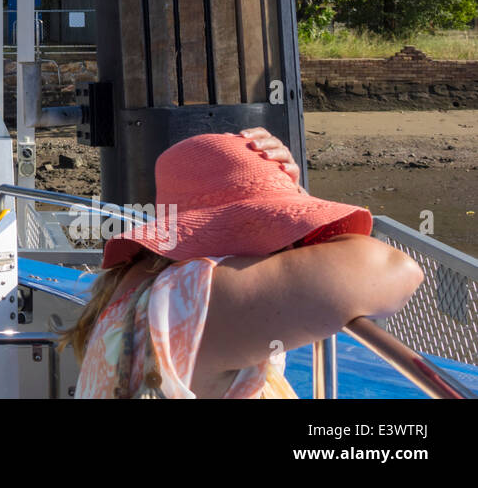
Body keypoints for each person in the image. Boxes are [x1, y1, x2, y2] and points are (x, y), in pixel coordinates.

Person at [64, 127, 424, 398]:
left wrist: (285, 193)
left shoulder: (136, 284)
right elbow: (395, 271)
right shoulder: (191, 297)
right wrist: (297, 201)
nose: (290, 240)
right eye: (272, 223)